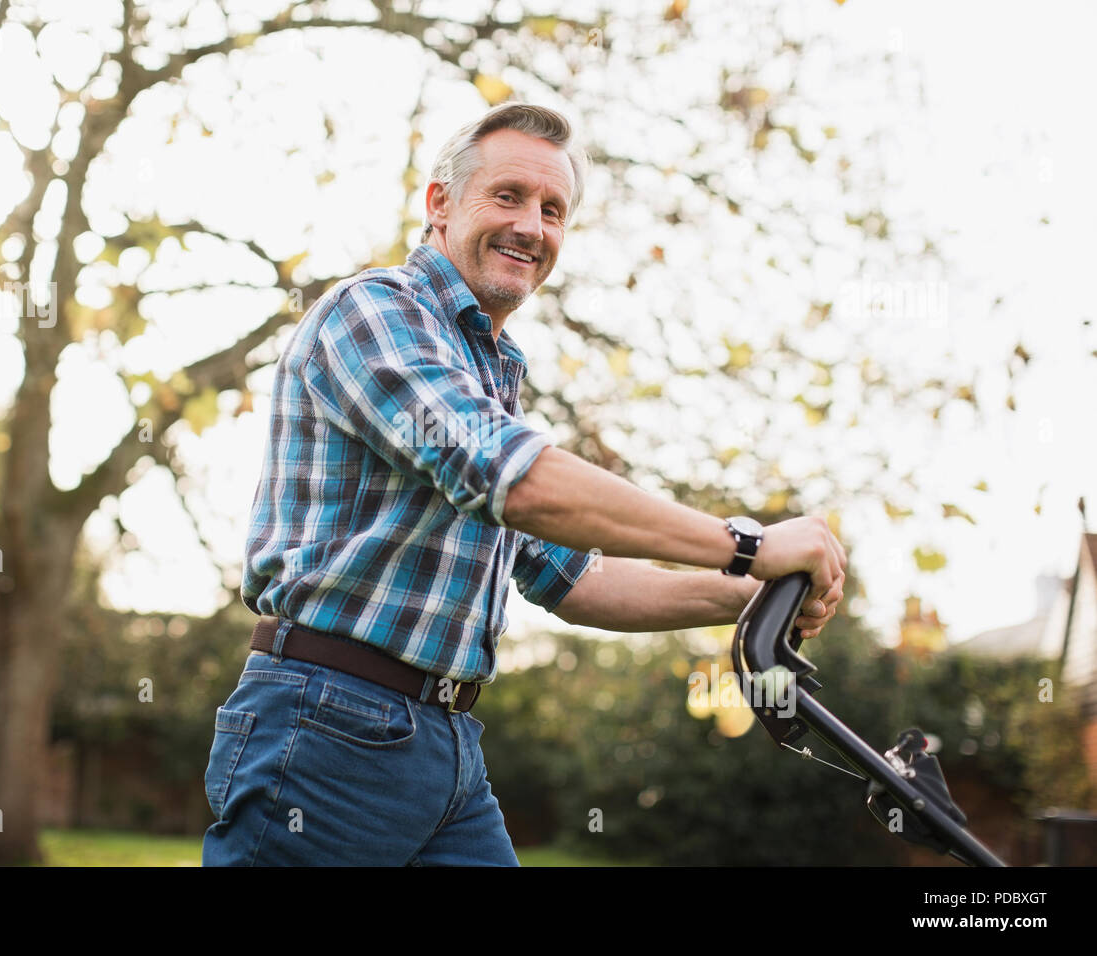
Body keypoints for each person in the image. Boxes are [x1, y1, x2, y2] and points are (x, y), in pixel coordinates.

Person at [201, 102, 846, 866]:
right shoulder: (373, 313)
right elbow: (517, 480)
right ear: (439, 204)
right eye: (507, 196)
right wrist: (746, 546)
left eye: (553, 211)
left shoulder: (489, 376)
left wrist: (749, 597)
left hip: (447, 743)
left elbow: (575, 579)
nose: (532, 227)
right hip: (325, 730)